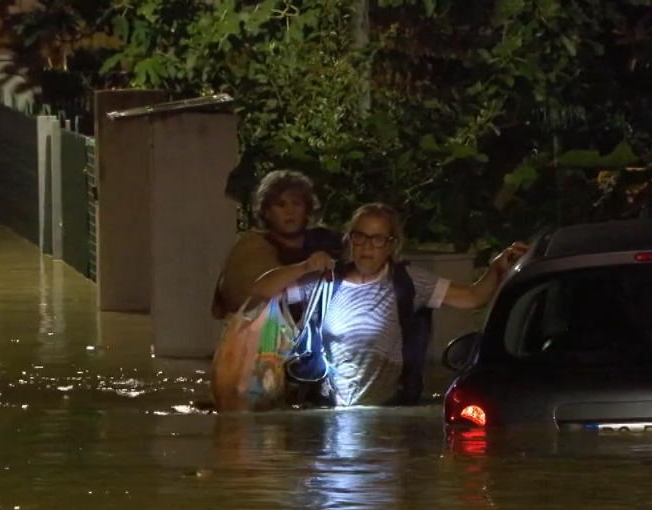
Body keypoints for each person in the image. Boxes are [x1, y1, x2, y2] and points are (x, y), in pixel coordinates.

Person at [252, 203, 528, 407]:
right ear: (350, 241)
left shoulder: (408, 283)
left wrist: (497, 268)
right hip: (331, 416)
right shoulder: (326, 281)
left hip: (386, 416)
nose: (367, 247)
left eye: (378, 239)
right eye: (360, 237)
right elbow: (260, 291)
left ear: (391, 245)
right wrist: (303, 266)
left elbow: (472, 297)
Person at [211, 170, 341, 320]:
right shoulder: (251, 248)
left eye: (296, 203)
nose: (289, 211)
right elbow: (245, 297)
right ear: (266, 211)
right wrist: (306, 267)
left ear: (307, 209)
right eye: (280, 204)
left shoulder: (326, 241)